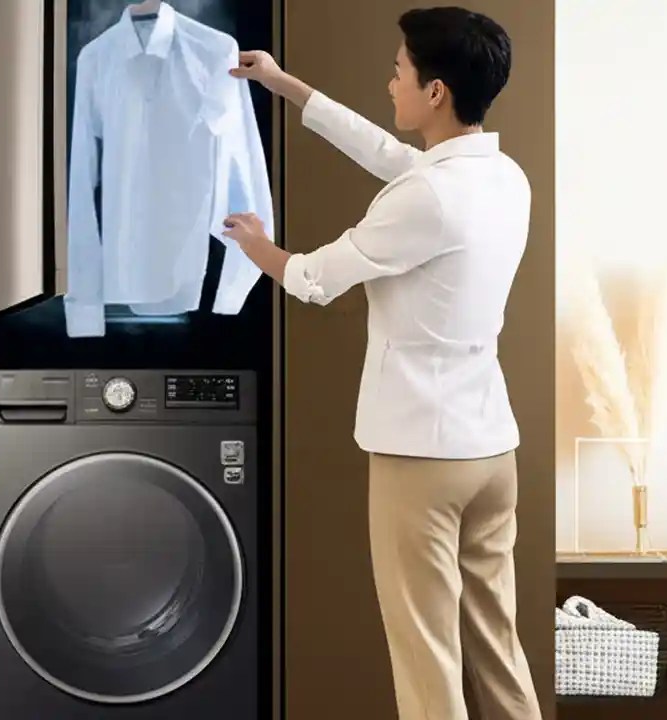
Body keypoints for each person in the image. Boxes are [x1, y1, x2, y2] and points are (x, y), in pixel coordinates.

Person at [223, 7, 542, 720]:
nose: (390, 82)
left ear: (435, 91)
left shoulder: (427, 198)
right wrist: (285, 85)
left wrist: (256, 245)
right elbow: (391, 157)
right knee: (496, 643)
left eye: (400, 71)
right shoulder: (503, 178)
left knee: (427, 657)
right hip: (491, 449)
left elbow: (312, 278)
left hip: (420, 457)